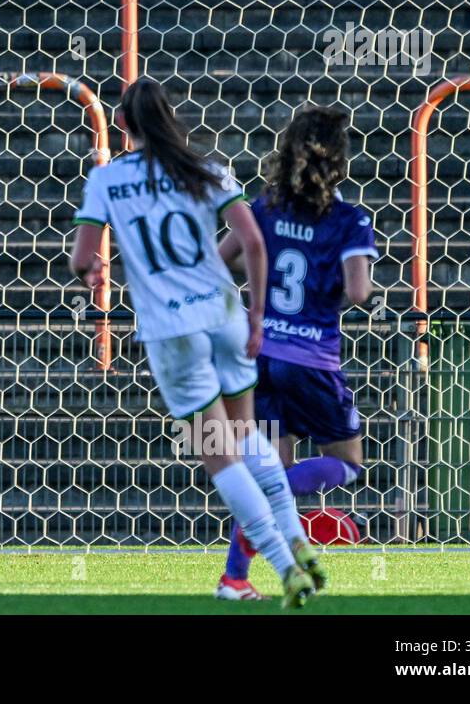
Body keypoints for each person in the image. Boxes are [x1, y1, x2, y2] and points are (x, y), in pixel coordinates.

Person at [69, 77, 322, 608]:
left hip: (171, 329)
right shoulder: (208, 170)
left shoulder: (107, 179)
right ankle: (297, 538)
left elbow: (81, 258)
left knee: (218, 454)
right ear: (172, 117)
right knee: (248, 432)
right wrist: (255, 313)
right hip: (226, 312)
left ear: (121, 125)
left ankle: (281, 566)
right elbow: (252, 240)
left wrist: (93, 270)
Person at [215, 105, 375, 599]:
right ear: (339, 160)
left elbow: (223, 260)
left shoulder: (264, 209)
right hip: (312, 359)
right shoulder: (349, 219)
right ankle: (243, 568)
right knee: (346, 462)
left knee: (268, 472)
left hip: (258, 355)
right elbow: (358, 291)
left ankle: (235, 580)